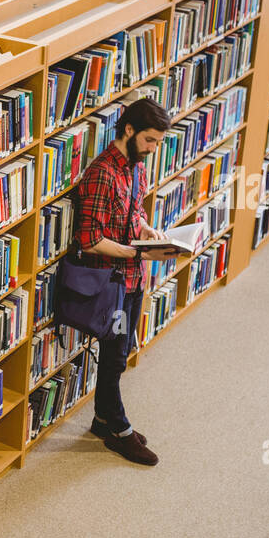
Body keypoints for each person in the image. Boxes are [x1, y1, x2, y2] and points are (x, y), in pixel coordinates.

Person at [71, 97, 177, 466]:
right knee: (114, 358)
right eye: (149, 140)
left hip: (134, 279)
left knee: (122, 351)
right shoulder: (102, 173)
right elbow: (90, 238)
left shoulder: (136, 168)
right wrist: (139, 253)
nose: (152, 149)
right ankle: (119, 429)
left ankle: (102, 419)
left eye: (158, 143)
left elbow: (135, 212)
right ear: (129, 130)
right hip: (112, 283)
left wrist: (147, 230)